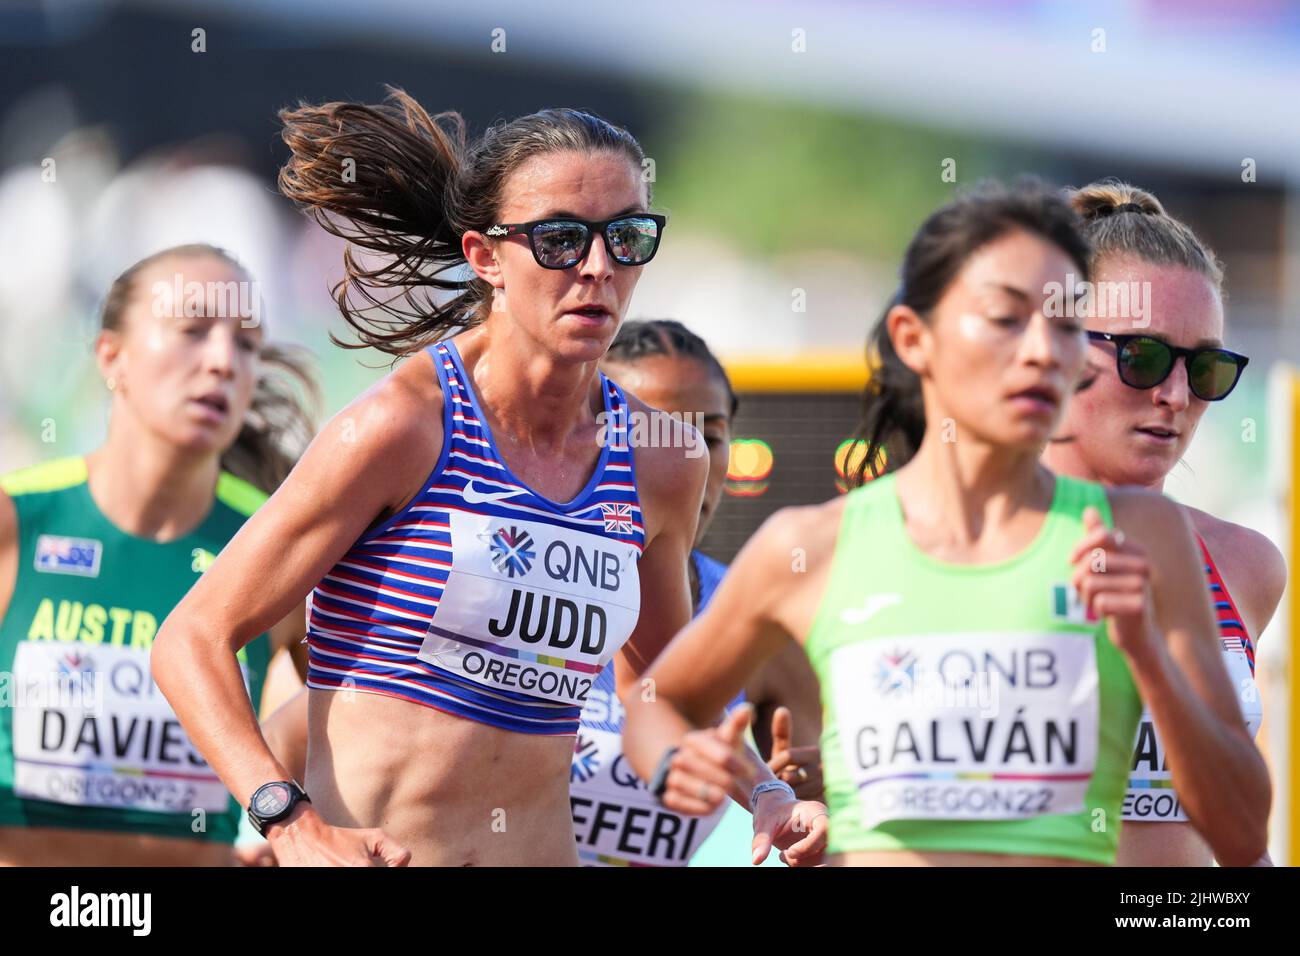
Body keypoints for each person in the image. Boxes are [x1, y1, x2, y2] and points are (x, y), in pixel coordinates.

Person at [153, 91, 825, 866]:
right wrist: (288, 820)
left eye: (628, 236)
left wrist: (765, 796)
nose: (599, 268)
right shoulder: (401, 428)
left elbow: (656, 699)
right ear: (485, 257)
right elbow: (191, 638)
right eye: (562, 240)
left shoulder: (663, 459)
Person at [622, 181, 1271, 866]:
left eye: (1062, 327)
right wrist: (753, 790)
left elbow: (1240, 840)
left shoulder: (1151, 535)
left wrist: (1146, 656)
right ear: (915, 337)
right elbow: (655, 702)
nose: (1042, 352)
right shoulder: (812, 546)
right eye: (1006, 320)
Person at [0, 243, 313, 866]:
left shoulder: (276, 545)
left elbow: (363, 715)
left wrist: (287, 821)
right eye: (192, 331)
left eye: (247, 345)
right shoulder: (17, 521)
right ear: (111, 356)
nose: (223, 361)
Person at [1042, 180, 1285, 866]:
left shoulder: (1245, 563)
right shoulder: (963, 541)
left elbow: (1236, 841)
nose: (1176, 395)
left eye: (1205, 368)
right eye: (1141, 356)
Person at [568, 319, 822, 867]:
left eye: (707, 437)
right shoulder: (514, 588)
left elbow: (815, 826)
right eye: (650, 434)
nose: (687, 464)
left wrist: (815, 798)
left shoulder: (760, 619)